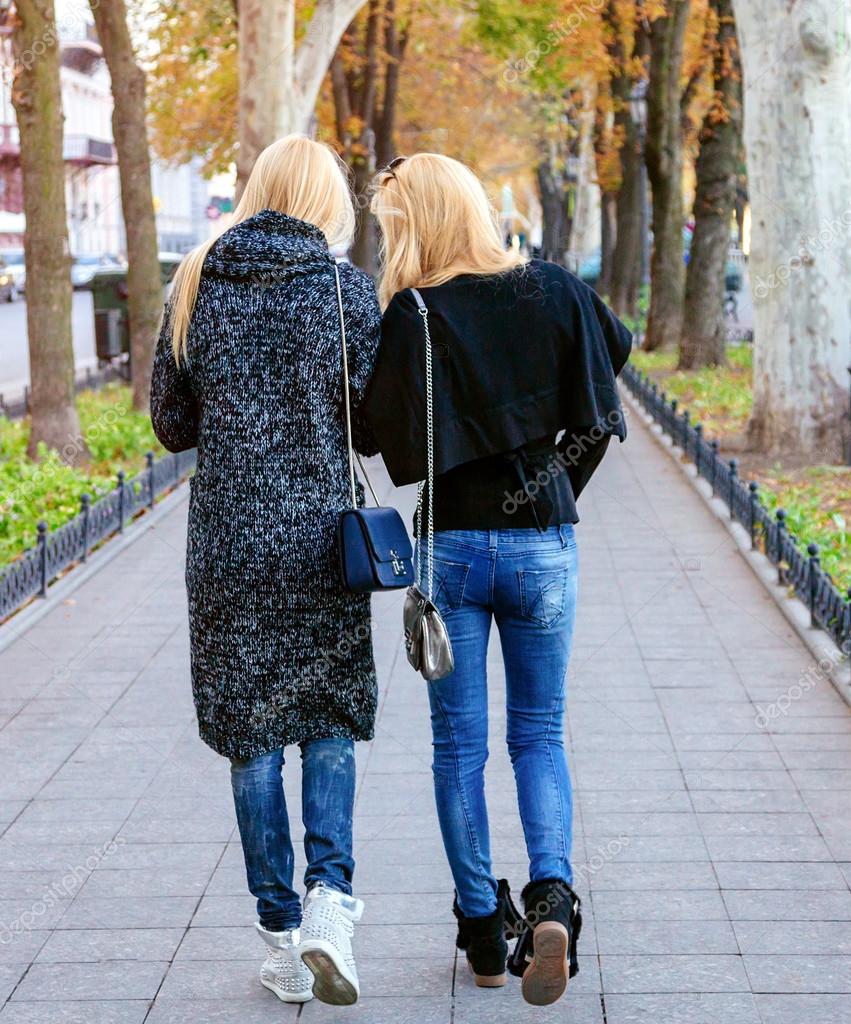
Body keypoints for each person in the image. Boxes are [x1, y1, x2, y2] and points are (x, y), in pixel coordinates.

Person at [364, 153, 632, 1006]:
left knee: (457, 749)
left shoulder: (413, 313)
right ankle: (552, 897)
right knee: (541, 734)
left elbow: (372, 436)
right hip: (542, 544)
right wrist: (549, 489)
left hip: (452, 551)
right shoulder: (551, 289)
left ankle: (484, 930)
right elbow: (601, 398)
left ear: (414, 224)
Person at [150, 135, 381, 1008]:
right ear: (326, 199)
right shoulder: (341, 289)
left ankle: (281, 939)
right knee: (326, 721)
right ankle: (332, 903)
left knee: (251, 740)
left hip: (228, 549)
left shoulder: (194, 284)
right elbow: (368, 426)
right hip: (323, 544)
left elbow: (172, 426)